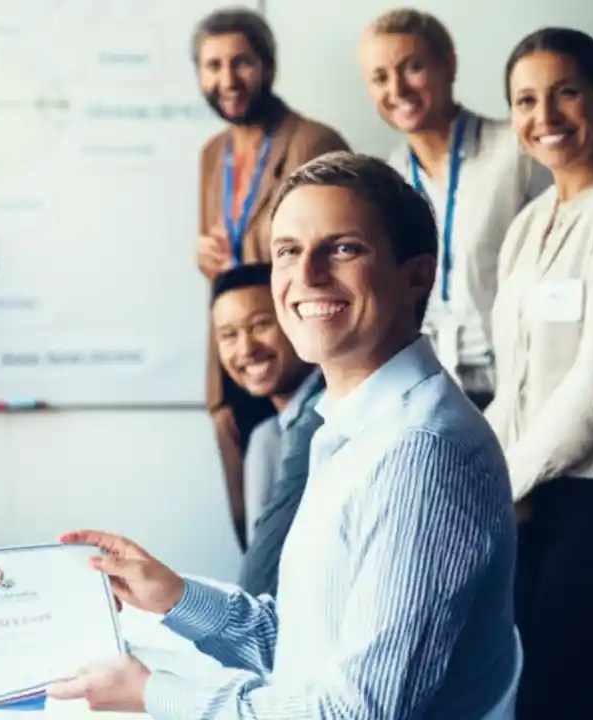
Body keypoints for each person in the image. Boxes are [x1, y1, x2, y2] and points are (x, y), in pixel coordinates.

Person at [49, 152, 516, 718]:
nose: (307, 276)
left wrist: (152, 693)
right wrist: (172, 596)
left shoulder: (421, 453)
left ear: (415, 275)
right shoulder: (352, 426)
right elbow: (302, 655)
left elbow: (353, 713)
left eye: (343, 248)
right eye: (288, 251)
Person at [487, 28, 593, 720]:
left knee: (569, 691)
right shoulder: (527, 223)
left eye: (566, 92)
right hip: (533, 501)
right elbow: (513, 380)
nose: (544, 116)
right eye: (526, 100)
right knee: (530, 692)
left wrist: (509, 478)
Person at [189, 9, 349, 547]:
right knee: (251, 527)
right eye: (212, 66)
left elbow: (337, 248)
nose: (227, 79)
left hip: (297, 354)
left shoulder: (312, 141)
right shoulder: (212, 154)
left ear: (268, 65)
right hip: (238, 363)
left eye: (241, 62)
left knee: (304, 522)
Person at [359, 9, 550, 407]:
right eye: (380, 77)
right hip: (427, 388)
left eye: (412, 68)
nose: (397, 89)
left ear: (449, 65)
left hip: (519, 385)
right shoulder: (386, 180)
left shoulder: (517, 151)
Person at [209, 262, 323, 597]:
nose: (245, 349)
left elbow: (258, 586)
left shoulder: (329, 415)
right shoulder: (268, 434)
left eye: (260, 325)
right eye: (228, 335)